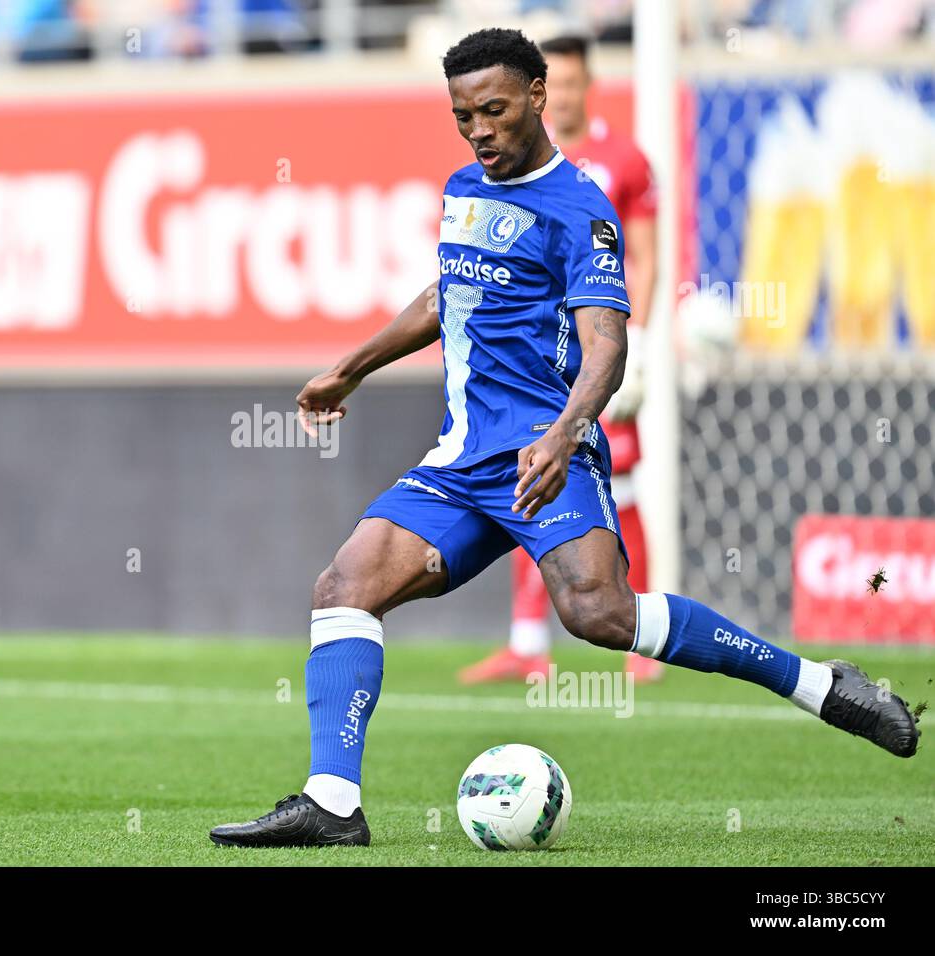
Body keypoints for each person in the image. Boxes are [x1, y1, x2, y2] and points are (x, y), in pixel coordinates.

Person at [209, 27, 919, 849]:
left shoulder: (582, 210)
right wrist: (351, 368)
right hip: (462, 462)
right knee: (343, 587)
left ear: (538, 97)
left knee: (599, 614)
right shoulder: (463, 186)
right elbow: (446, 297)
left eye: (494, 110)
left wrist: (564, 432)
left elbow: (607, 346)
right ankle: (332, 803)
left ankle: (819, 685)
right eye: (462, 114)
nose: (478, 129)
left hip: (550, 451)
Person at [458, 33, 661, 686]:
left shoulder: (621, 162)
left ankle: (639, 639)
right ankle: (526, 645)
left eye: (574, 83)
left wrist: (644, 338)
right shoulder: (513, 161)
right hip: (540, 357)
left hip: (602, 348)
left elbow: (647, 256)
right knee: (529, 477)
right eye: (558, 82)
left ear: (580, 87)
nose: (566, 95)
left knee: (616, 483)